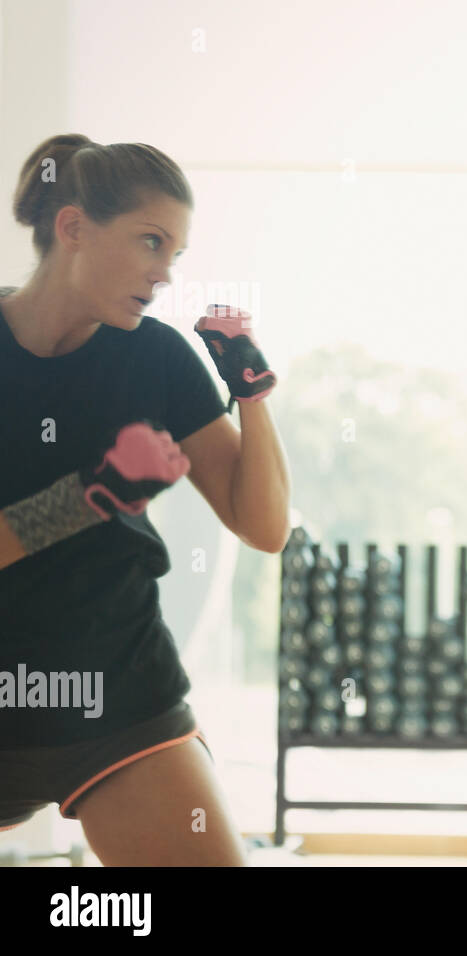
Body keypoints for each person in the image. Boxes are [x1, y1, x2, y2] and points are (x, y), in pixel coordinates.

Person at [0, 134, 291, 866]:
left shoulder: (156, 355)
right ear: (72, 228)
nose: (164, 274)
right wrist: (93, 495)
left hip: (117, 689)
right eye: (150, 243)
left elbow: (265, 528)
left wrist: (250, 395)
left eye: (176, 255)